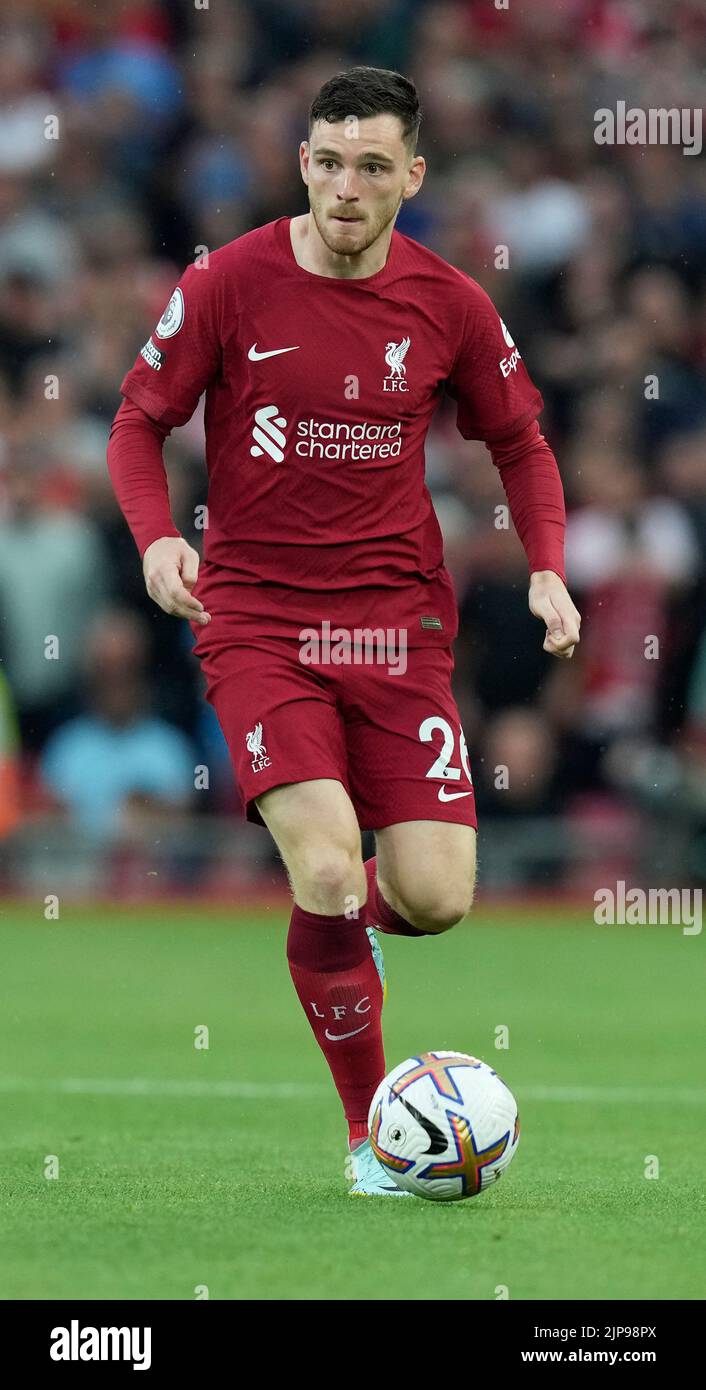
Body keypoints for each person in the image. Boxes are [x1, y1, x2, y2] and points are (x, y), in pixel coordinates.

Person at [107, 67, 580, 1195]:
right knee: (324, 865)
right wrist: (156, 539)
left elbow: (519, 438)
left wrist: (549, 571)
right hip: (259, 622)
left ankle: (343, 932)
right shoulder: (228, 282)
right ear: (302, 165)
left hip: (398, 630)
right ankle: (372, 1141)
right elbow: (138, 420)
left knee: (434, 897)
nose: (346, 186)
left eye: (373, 166)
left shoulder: (451, 301)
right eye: (327, 162)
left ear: (412, 175)